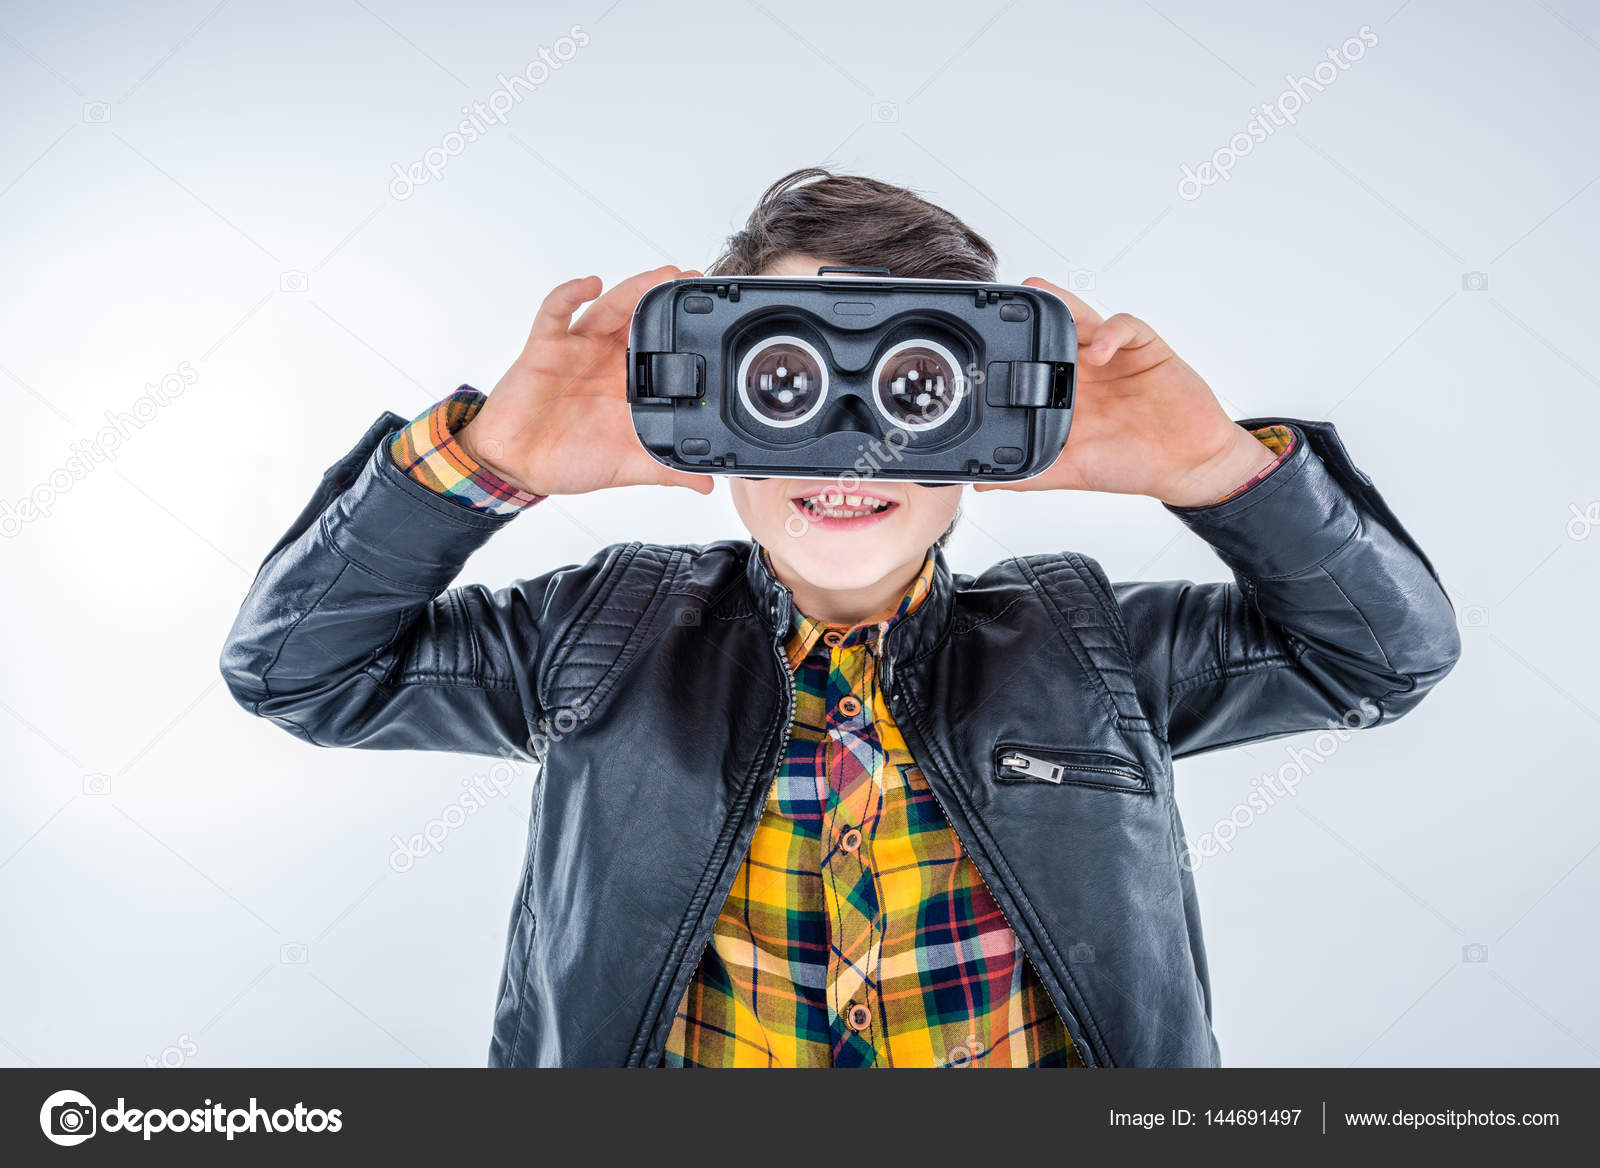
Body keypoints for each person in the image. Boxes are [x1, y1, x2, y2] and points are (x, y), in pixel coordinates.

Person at [220, 169, 1459, 1067]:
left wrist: (1219, 470)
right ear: (710, 408)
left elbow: (1382, 656)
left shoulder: (1096, 651)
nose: (851, 441)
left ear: (982, 433)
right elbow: (300, 673)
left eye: (916, 387)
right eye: (786, 384)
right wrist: (490, 462)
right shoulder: (597, 634)